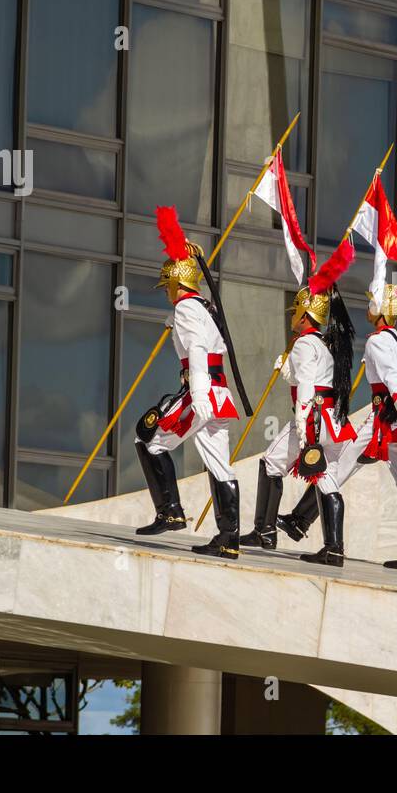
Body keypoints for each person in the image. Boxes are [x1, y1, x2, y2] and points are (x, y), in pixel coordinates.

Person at [278, 282, 397, 572]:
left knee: (336, 465)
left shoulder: (378, 341)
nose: (367, 307)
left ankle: (304, 523)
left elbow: (395, 381)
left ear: (381, 309)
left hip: (381, 419)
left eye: (372, 302)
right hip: (395, 418)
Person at [134, 207, 250, 561]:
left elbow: (198, 349)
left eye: (167, 287)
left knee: (149, 439)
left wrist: (197, 394)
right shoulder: (203, 308)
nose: (166, 293)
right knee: (220, 466)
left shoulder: (188, 309)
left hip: (202, 393)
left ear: (176, 282)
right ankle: (229, 538)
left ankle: (169, 512)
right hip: (220, 394)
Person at [240, 243, 357, 566]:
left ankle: (264, 530)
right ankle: (334, 547)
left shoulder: (306, 343)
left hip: (314, 422)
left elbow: (306, 390)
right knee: (326, 478)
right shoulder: (323, 345)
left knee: (270, 462)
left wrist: (305, 436)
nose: (293, 318)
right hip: (332, 421)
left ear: (306, 315)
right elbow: (308, 379)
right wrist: (288, 369)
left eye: (296, 313)